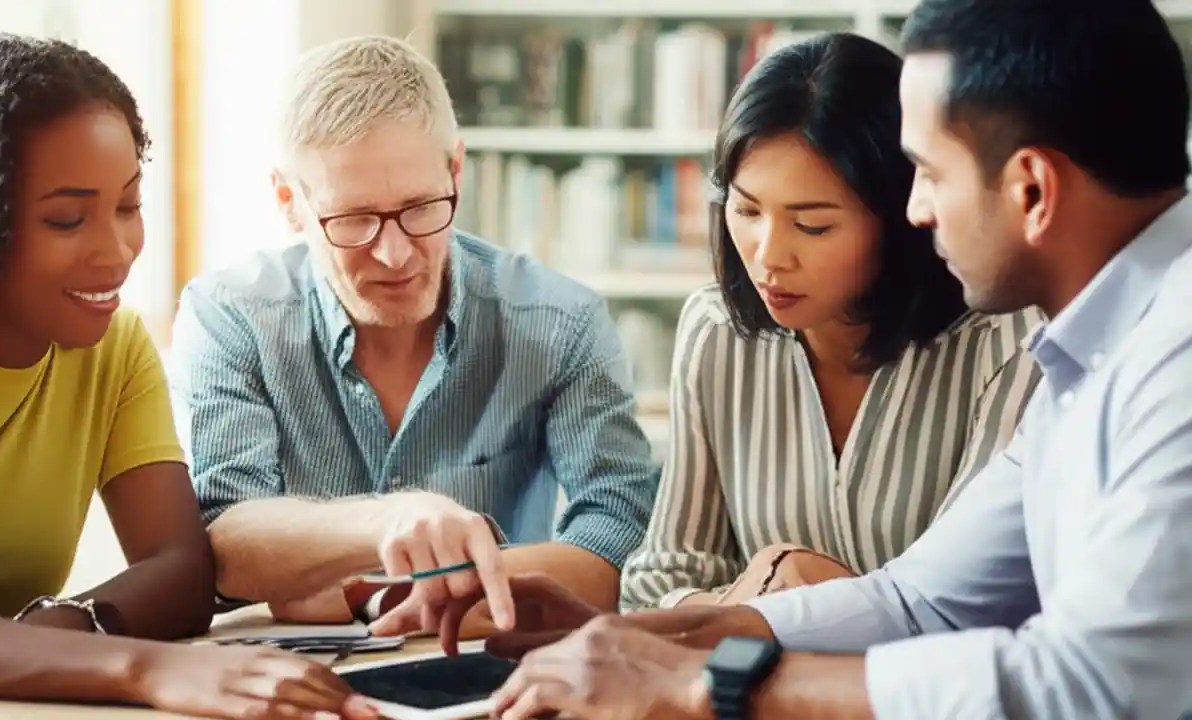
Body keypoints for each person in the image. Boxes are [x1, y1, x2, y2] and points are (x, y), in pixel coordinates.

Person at [420, 0, 1192, 717]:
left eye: (928, 173)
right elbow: (917, 600)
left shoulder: (1175, 352)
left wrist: (702, 684)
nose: (915, 209)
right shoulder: (1094, 349)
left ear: (1031, 188)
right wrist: (643, 636)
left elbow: (1092, 683)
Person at [0, 34, 375, 720]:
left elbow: (181, 569)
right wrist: (140, 666)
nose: (118, 250)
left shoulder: (112, 348)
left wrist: (61, 631)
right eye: (67, 219)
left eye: (128, 206)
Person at [168, 35, 657, 636]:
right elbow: (226, 546)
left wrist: (366, 594)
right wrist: (393, 519)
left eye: (422, 207)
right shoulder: (228, 315)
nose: (395, 254)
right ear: (289, 202)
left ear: (456, 170)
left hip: (483, 664)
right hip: (293, 678)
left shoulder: (561, 322)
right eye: (354, 219)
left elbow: (615, 550)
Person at [619, 32, 1041, 611]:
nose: (769, 255)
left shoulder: (1006, 344)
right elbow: (655, 586)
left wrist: (773, 597)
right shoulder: (717, 332)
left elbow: (965, 605)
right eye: (746, 211)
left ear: (900, 215)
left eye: (812, 226)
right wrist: (764, 586)